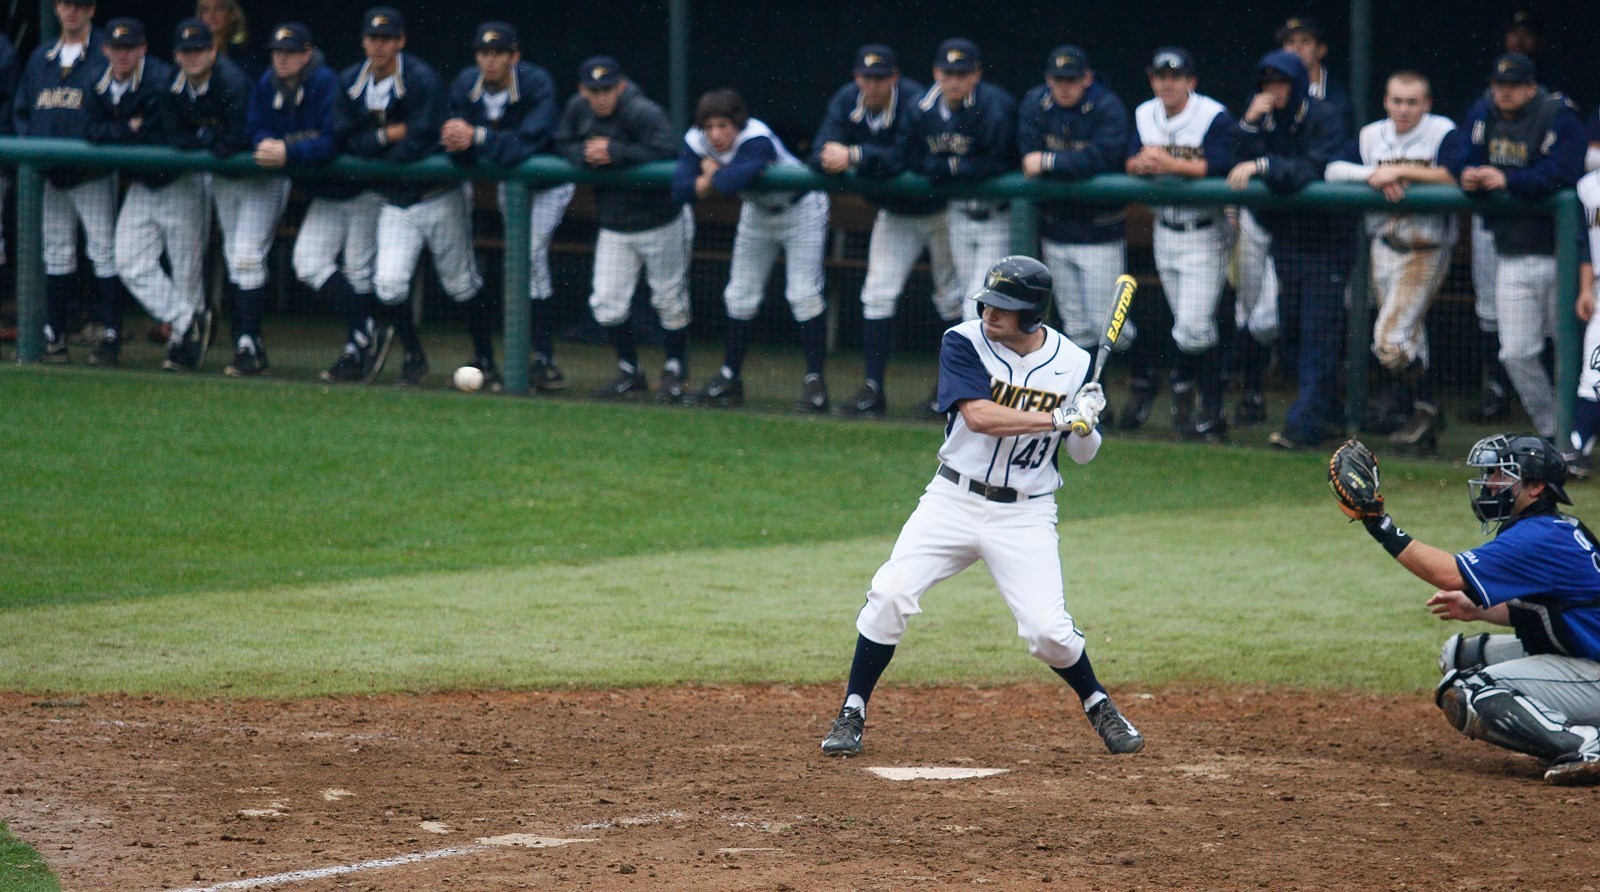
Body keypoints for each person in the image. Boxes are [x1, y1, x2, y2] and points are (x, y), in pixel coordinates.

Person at [819, 255, 1144, 759]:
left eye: (1005, 307)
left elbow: (1080, 455)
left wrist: (1088, 420)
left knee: (1047, 632)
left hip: (1026, 512)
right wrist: (1060, 416)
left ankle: (1099, 704)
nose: (992, 314)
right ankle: (852, 710)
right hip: (952, 499)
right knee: (889, 593)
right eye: (988, 302)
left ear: (1033, 314)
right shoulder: (963, 341)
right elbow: (978, 417)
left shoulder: (1075, 363)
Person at [1340, 435, 1600, 786]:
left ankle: (1586, 744)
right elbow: (1553, 612)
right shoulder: (1551, 528)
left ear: (1536, 486)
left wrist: (1379, 522)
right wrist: (1479, 610)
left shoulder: (1539, 537)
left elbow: (1445, 573)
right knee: (1460, 656)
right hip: (1583, 658)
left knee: (1470, 691)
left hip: (1593, 673)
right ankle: (1565, 730)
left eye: (1501, 473)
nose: (1491, 482)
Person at [339, 6, 489, 388]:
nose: (378, 45)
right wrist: (388, 137)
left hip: (439, 196)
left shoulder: (421, 78)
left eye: (386, 39)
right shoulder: (351, 81)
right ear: (363, 41)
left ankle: (485, 356)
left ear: (400, 41)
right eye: (372, 38)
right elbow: (345, 139)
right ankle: (412, 354)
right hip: (396, 202)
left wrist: (376, 148)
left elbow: (422, 138)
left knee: (460, 284)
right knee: (388, 284)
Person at [810, 43, 957, 418]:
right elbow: (818, 152)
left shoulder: (913, 99)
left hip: (940, 211)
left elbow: (903, 158)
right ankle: (873, 388)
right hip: (895, 214)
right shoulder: (848, 99)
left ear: (894, 77)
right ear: (856, 77)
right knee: (877, 294)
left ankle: (951, 392)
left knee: (951, 300)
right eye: (866, 77)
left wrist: (855, 156)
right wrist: (835, 156)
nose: (872, 85)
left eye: (880, 78)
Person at [1325, 71, 1464, 452]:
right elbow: (1333, 170)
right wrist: (1375, 175)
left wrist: (1401, 170)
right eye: (1397, 101)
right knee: (1411, 338)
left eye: (1412, 102)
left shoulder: (1441, 132)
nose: (1404, 109)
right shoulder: (1372, 135)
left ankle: (1428, 404)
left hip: (1425, 248)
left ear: (1427, 104)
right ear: (1386, 102)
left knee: (1389, 341)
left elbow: (1456, 176)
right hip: (1383, 245)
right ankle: (1424, 419)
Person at [1450, 54, 1585, 441]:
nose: (1504, 93)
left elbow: (1564, 171)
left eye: (1513, 86)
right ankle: (1553, 429)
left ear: (1530, 87)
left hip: (1563, 256)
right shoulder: (1482, 110)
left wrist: (1508, 180)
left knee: (1569, 349)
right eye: (1499, 85)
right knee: (1516, 352)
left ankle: (1577, 432)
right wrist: (1469, 174)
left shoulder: (1557, 114)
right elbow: (1461, 154)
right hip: (1511, 251)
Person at [672, 88, 831, 412]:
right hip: (757, 213)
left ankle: (816, 383)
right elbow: (680, 189)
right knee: (739, 295)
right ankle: (730, 377)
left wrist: (710, 175)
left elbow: (730, 183)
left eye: (723, 126)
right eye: (709, 127)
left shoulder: (756, 136)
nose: (715, 134)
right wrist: (712, 180)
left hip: (800, 208)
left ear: (737, 124)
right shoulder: (696, 138)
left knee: (803, 295)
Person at [1228, 50, 1351, 451]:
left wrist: (1264, 166)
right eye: (1267, 84)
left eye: (1280, 83)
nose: (1273, 91)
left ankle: (1303, 425)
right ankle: (1327, 414)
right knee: (1293, 333)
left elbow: (1311, 169)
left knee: (1318, 334)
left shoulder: (1324, 114)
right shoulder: (1264, 118)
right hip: (1288, 240)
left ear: (1296, 84)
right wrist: (1248, 123)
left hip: (1327, 240)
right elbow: (1231, 160)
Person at [442, 22, 573, 393]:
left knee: (529, 255)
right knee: (527, 263)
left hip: (549, 186)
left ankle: (543, 358)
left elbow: (530, 142)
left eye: (498, 52)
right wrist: (459, 139)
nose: (490, 59)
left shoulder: (536, 82)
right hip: (509, 187)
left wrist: (478, 137)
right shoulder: (467, 84)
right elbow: (457, 142)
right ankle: (538, 360)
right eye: (484, 52)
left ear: (514, 57)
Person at [555, 56, 691, 402]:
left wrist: (615, 151)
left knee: (668, 300)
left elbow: (670, 152)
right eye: (594, 90)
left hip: (661, 220)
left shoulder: (642, 111)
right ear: (582, 90)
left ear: (621, 86)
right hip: (615, 223)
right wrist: (583, 154)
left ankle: (675, 368)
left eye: (607, 89)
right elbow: (561, 142)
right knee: (606, 304)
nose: (601, 97)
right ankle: (630, 371)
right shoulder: (577, 108)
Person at [1019, 45, 1140, 427]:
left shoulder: (1105, 106)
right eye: (1058, 79)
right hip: (1056, 231)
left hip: (1099, 233)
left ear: (1087, 78)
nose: (1064, 87)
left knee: (1113, 331)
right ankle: (1090, 403)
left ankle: (1145, 373)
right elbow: (1026, 154)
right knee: (1077, 327)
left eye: (1072, 79)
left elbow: (1105, 158)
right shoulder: (1036, 103)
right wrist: (1064, 163)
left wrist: (1051, 162)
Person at [250, 22, 372, 381]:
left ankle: (359, 344)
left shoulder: (326, 82)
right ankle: (365, 329)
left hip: (361, 189)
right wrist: (267, 141)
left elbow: (333, 140)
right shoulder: (267, 83)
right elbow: (255, 124)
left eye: (290, 52)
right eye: (277, 52)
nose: (282, 59)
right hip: (326, 195)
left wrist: (288, 150)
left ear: (307, 54)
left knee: (361, 272)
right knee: (307, 262)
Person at [1125, 47, 1235, 439]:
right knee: (1193, 327)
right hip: (1164, 231)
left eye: (1176, 76)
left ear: (1191, 81)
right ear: (1152, 79)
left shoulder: (1212, 115)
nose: (1167, 83)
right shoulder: (1142, 113)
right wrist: (1138, 164)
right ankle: (1208, 408)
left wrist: (1170, 165)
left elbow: (1223, 166)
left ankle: (1183, 385)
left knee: (1191, 327)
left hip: (1205, 229)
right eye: (1161, 76)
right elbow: (1125, 158)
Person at [15, 0, 119, 365]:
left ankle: (112, 334)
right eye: (65, 4)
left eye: (80, 4)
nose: (72, 11)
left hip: (91, 173)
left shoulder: (107, 52)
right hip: (52, 174)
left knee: (103, 250)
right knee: (56, 251)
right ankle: (55, 334)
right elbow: (22, 111)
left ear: (92, 8)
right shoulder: (42, 56)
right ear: (56, 9)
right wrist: (38, 150)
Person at [85, 17, 175, 370]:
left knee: (187, 269)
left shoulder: (160, 77)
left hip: (179, 179)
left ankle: (186, 342)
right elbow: (90, 130)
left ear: (143, 49)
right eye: (116, 48)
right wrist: (128, 127)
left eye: (130, 48)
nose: (123, 54)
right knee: (126, 260)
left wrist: (122, 129)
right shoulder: (96, 79)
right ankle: (185, 323)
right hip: (142, 183)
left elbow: (154, 127)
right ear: (106, 49)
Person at [911, 38, 1016, 321]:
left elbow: (1001, 162)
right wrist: (952, 167)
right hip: (957, 213)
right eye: (948, 74)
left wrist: (951, 166)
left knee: (977, 304)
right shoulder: (922, 107)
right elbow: (912, 157)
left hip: (996, 215)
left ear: (976, 74)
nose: (954, 81)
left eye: (962, 74)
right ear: (936, 73)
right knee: (964, 300)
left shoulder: (995, 105)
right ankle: (966, 365)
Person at [1568, 170, 1599, 476]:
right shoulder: (1587, 185)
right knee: (1594, 370)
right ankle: (1579, 448)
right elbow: (1586, 244)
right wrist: (1587, 288)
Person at [1275, 16, 1353, 130]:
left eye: (1305, 41)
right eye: (1290, 42)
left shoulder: (1338, 94)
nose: (1297, 48)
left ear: (1321, 49)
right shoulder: (1269, 87)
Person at [196, 0, 264, 82]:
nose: (211, 15)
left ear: (232, 15)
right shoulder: (190, 54)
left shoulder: (245, 57)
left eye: (219, 8)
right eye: (206, 10)